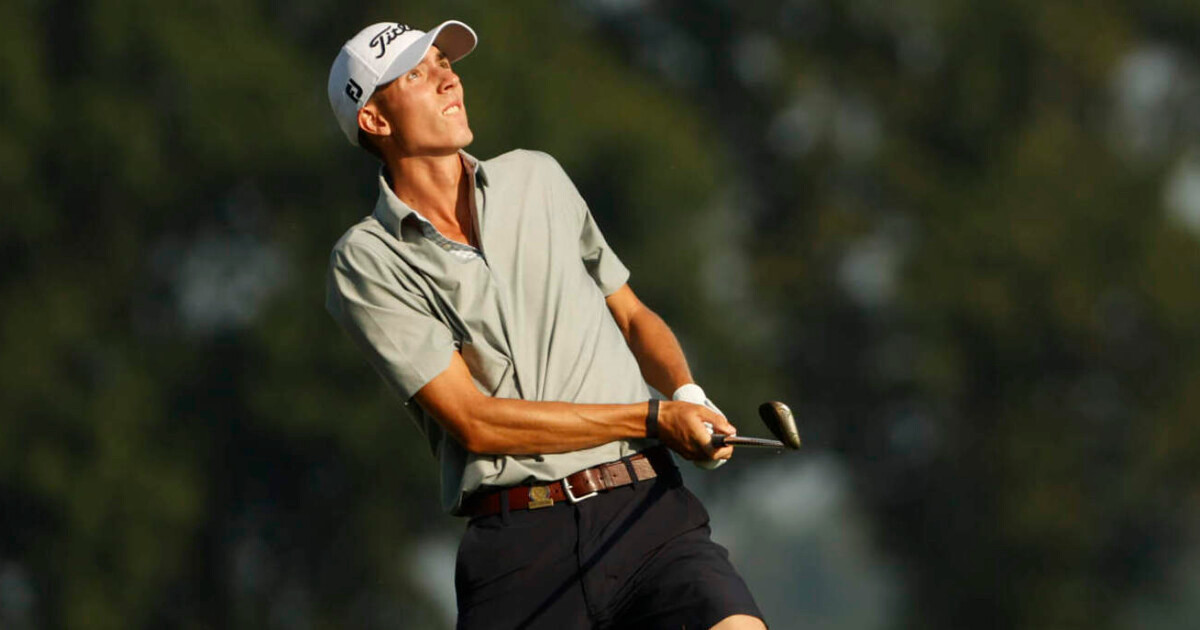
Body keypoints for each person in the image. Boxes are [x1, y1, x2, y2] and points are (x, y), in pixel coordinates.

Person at [325, 19, 767, 630]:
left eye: (446, 65)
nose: (448, 77)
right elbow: (474, 423)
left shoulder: (539, 176)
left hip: (645, 511)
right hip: (521, 551)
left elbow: (632, 313)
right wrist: (654, 418)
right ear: (375, 120)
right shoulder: (368, 259)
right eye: (420, 74)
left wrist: (687, 393)